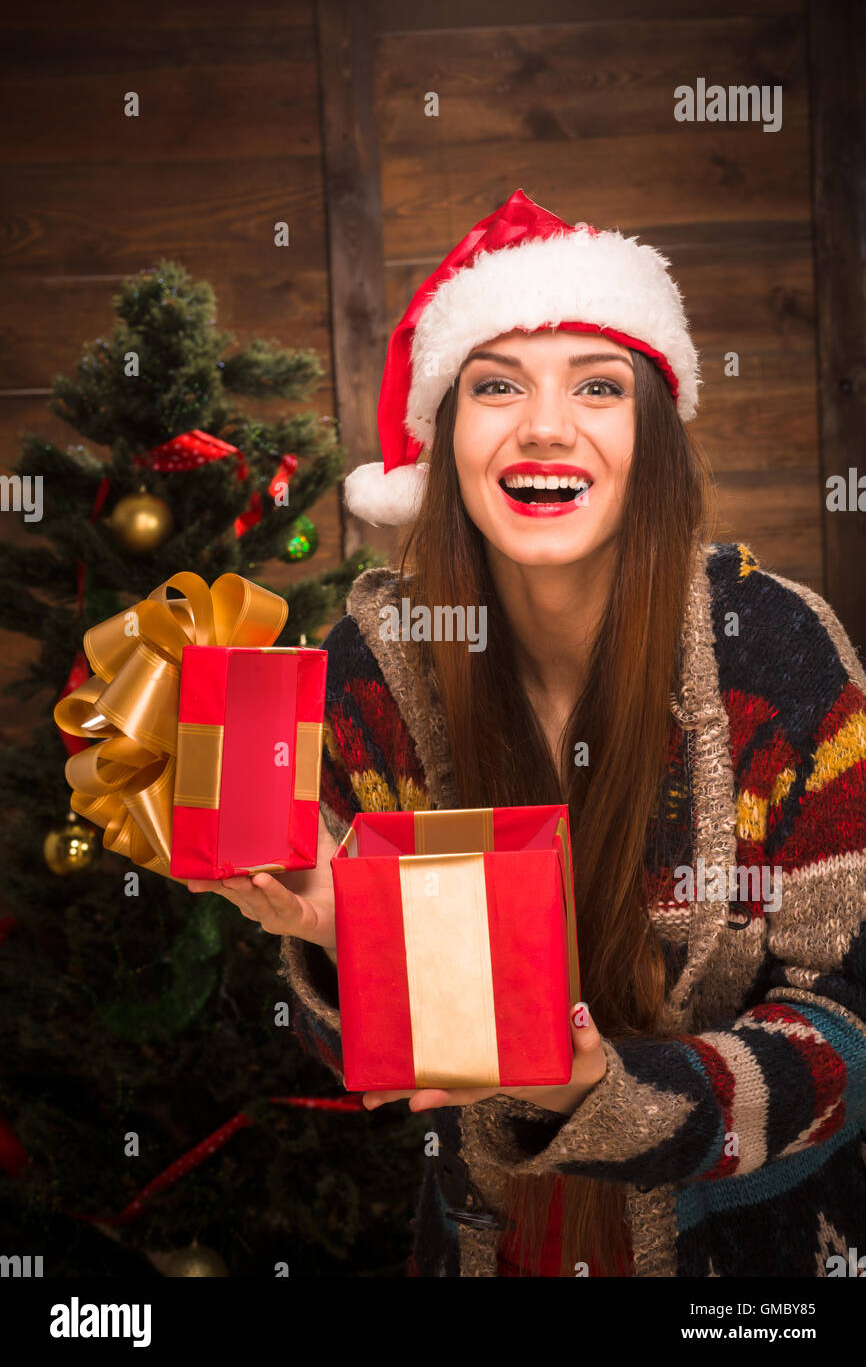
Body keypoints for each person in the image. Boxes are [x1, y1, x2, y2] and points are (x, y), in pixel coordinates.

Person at [188, 188, 866, 1278]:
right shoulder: (375, 668)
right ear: (445, 438)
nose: (545, 426)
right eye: (497, 385)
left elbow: (849, 1031)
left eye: (597, 386)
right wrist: (346, 938)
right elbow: (371, 1066)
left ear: (652, 436)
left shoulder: (777, 651)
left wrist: (602, 1091)